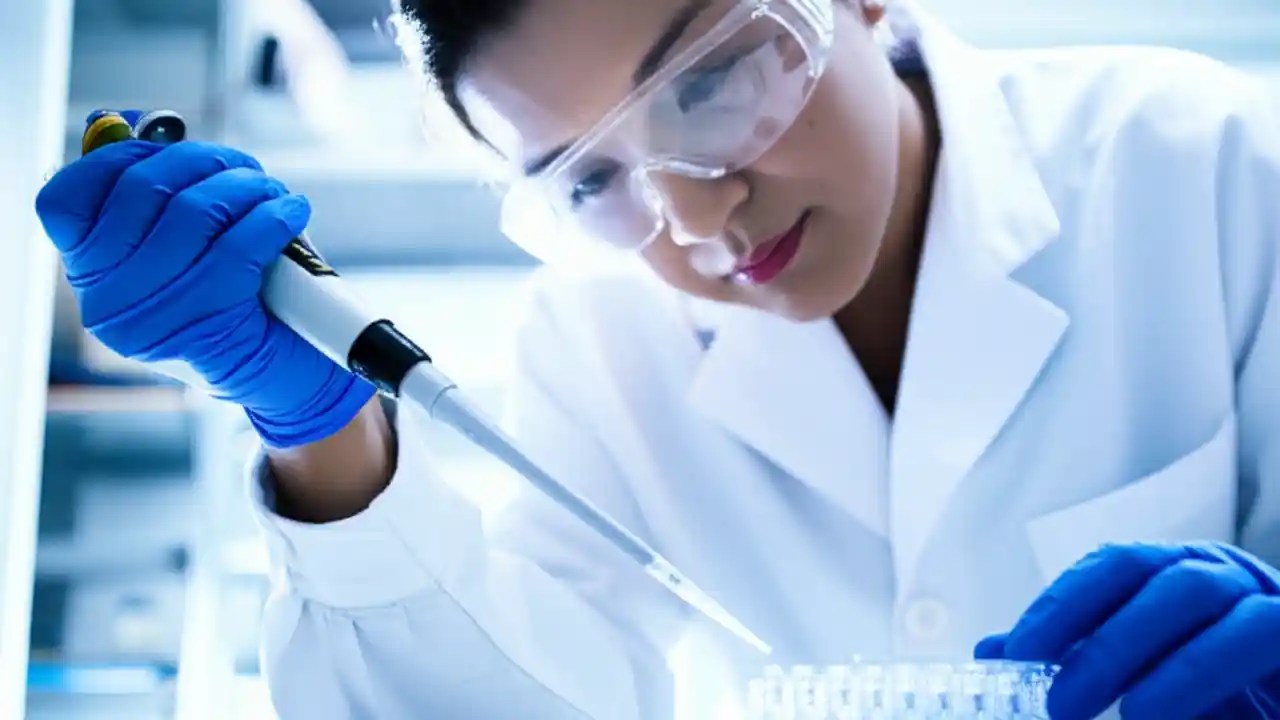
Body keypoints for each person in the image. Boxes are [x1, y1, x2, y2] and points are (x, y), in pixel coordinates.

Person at [34, 0, 1280, 717]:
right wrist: (314, 432)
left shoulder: (1209, 164)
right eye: (587, 180)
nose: (693, 220)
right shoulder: (593, 347)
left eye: (707, 86)